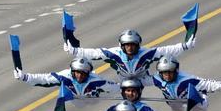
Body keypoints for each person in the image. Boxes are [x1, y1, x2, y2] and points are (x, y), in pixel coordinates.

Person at [64, 29, 194, 81]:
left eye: (133, 45)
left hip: (144, 80)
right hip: (123, 81)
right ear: (122, 45)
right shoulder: (113, 54)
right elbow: (93, 53)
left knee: (170, 76)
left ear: (138, 45)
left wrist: (185, 46)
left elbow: (166, 50)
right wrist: (74, 50)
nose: (130, 47)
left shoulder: (146, 53)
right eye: (127, 45)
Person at [13, 57, 120, 106]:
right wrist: (24, 77)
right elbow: (44, 79)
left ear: (88, 73)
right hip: (74, 100)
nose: (79, 75)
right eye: (77, 72)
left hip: (92, 100)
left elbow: (116, 87)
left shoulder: (96, 80)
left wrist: (131, 91)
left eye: (83, 73)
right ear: (72, 71)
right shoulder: (65, 76)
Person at [151, 56, 221, 111]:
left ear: (176, 71)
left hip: (196, 103)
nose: (168, 76)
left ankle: (200, 95)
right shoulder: (156, 79)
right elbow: (141, 81)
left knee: (200, 108)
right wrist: (137, 93)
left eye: (170, 73)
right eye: (165, 73)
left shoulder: (187, 79)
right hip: (176, 102)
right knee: (175, 108)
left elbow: (208, 84)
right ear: (160, 73)